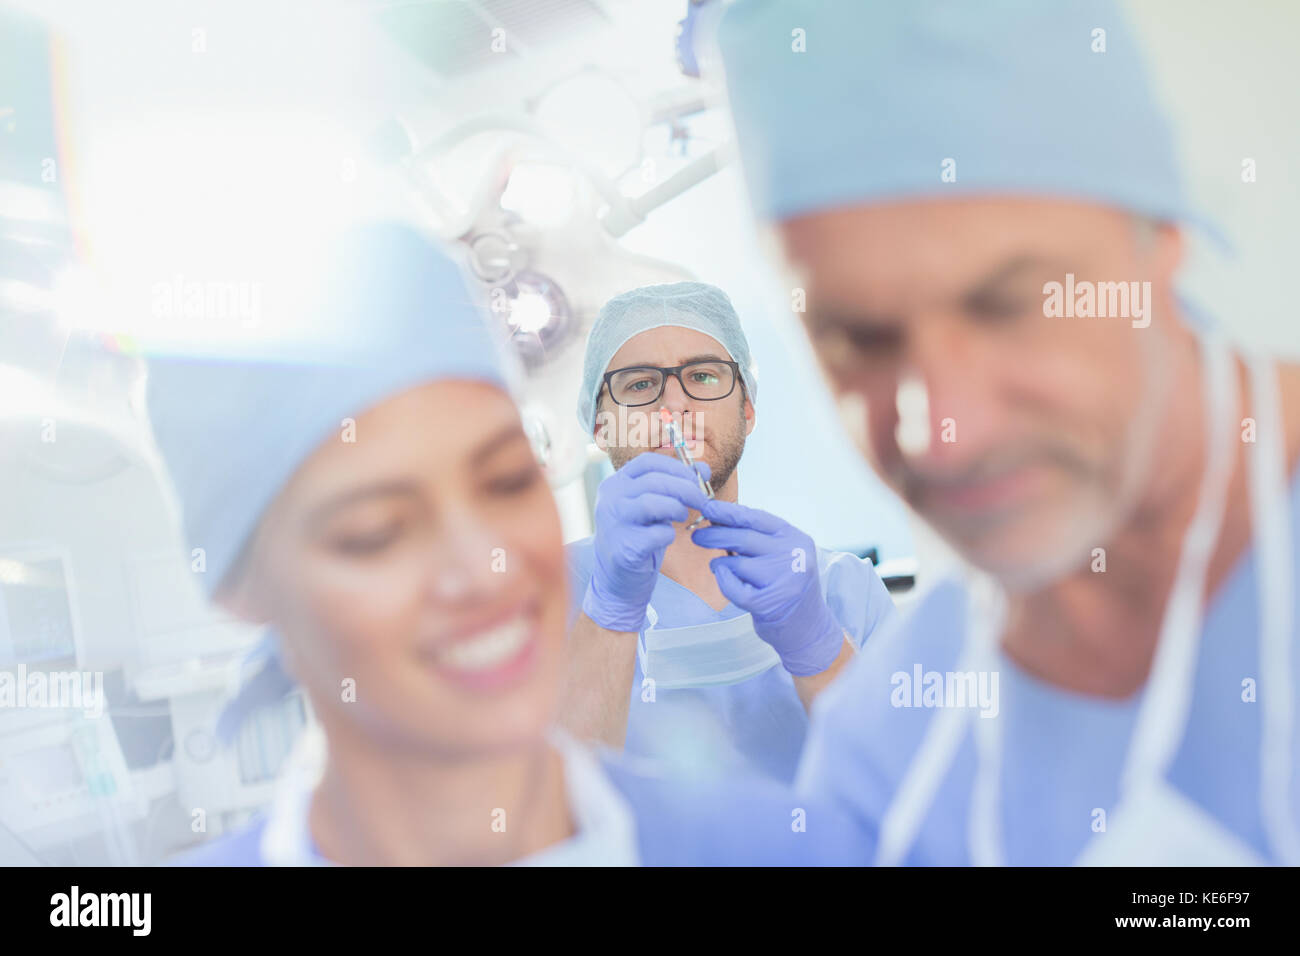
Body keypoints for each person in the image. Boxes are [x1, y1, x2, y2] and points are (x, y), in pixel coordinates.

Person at [717, 0, 1300, 863]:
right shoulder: (888, 748)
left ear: (1162, 235)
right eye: (860, 342)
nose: (943, 433)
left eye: (1011, 305)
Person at [153, 221, 866, 866]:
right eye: (375, 533)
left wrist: (817, 647)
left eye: (504, 482)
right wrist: (613, 608)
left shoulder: (775, 843)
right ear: (241, 589)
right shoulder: (590, 589)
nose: (482, 571)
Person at [560, 281, 895, 782]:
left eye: (703, 375)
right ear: (600, 427)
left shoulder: (842, 590)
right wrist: (609, 610)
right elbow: (543, 822)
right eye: (638, 384)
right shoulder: (542, 592)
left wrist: (819, 647)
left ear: (748, 409)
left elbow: (911, 799)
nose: (673, 406)